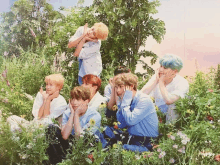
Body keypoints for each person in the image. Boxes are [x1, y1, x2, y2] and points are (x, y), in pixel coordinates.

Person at [101, 73, 159, 152]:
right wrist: (120, 103)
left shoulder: (144, 100)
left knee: (116, 150)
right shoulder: (127, 100)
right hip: (133, 138)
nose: (118, 90)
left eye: (121, 87)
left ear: (131, 86)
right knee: (105, 132)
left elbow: (130, 121)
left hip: (145, 143)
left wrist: (125, 103)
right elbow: (122, 124)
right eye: (116, 87)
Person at [46, 86, 101, 164]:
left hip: (86, 147)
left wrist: (76, 115)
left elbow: (80, 138)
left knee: (89, 140)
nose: (74, 102)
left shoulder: (95, 116)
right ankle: (59, 162)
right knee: (51, 128)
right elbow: (65, 136)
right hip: (70, 144)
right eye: (73, 99)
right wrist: (72, 114)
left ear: (86, 101)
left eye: (78, 99)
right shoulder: (68, 112)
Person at [141, 54, 189, 123]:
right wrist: (154, 81)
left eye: (165, 68)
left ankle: (168, 131)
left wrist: (161, 83)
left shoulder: (182, 83)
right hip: (157, 115)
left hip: (174, 118)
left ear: (174, 71)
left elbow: (169, 100)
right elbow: (141, 95)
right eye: (161, 66)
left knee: (172, 106)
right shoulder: (157, 77)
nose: (160, 70)